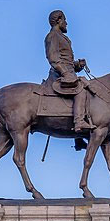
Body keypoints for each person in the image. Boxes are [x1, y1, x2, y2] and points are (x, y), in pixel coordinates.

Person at [44, 9, 93, 138]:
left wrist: (77, 65)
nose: (66, 23)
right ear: (58, 20)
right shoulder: (53, 36)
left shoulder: (62, 37)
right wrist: (65, 73)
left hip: (67, 73)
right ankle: (79, 122)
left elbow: (67, 62)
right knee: (81, 88)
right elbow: (53, 58)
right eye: (64, 20)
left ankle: (78, 139)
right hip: (59, 75)